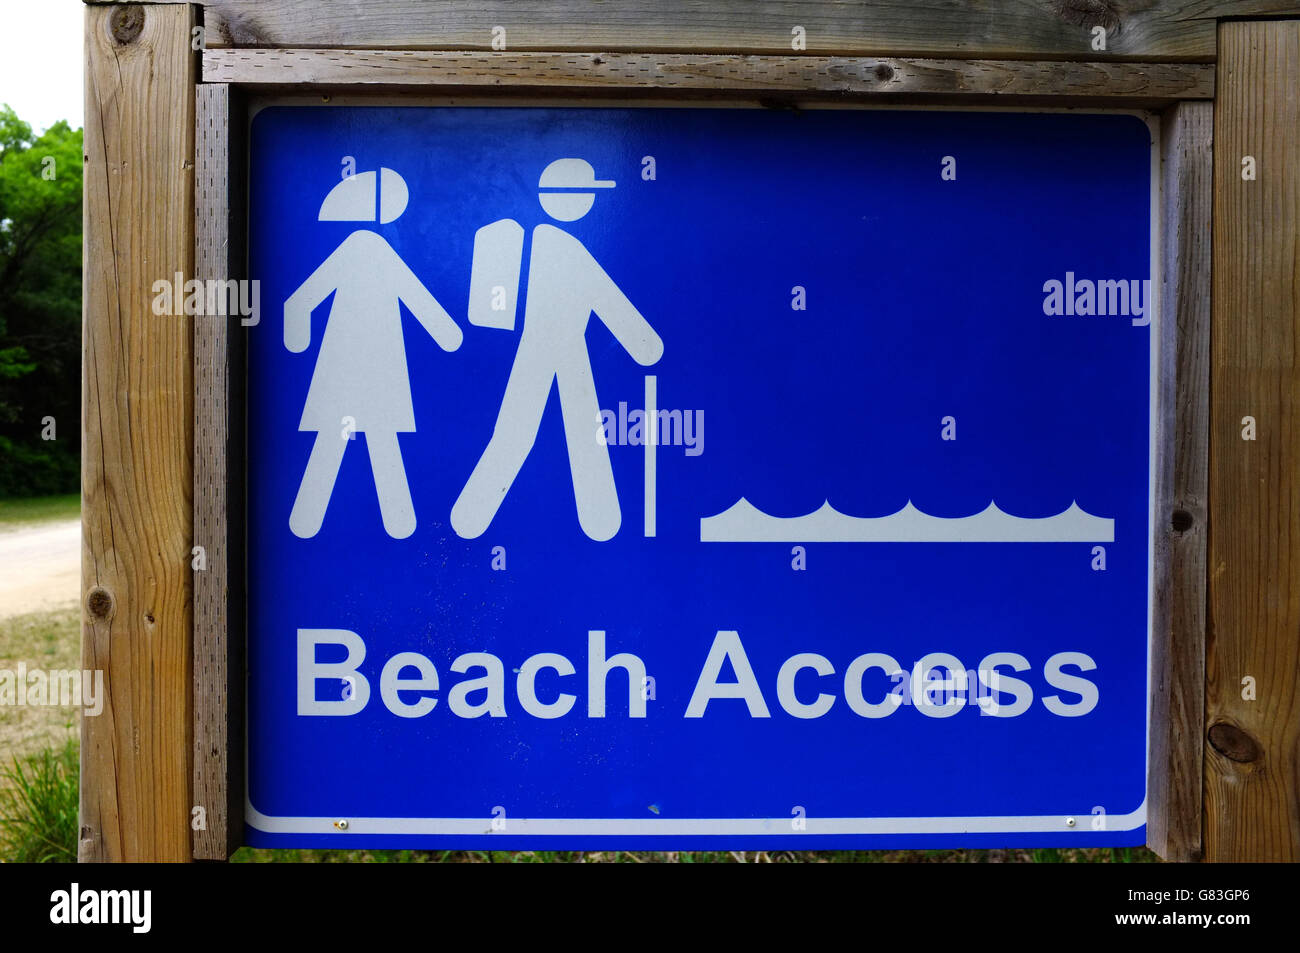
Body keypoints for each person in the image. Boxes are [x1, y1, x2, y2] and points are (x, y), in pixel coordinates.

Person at [451, 158, 663, 542]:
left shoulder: (544, 242)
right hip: (555, 349)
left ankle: (473, 514)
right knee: (574, 433)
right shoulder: (566, 247)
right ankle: (479, 515)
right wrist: (643, 344)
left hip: (550, 351)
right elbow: (610, 302)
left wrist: (642, 343)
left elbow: (605, 300)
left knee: (526, 432)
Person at [284, 167, 463, 540]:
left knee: (357, 436)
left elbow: (301, 302)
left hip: (366, 369)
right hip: (356, 368)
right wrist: (447, 335)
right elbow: (301, 300)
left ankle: (334, 523)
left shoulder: (367, 250)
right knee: (358, 436)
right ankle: (386, 525)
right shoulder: (365, 249)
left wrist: (299, 334)